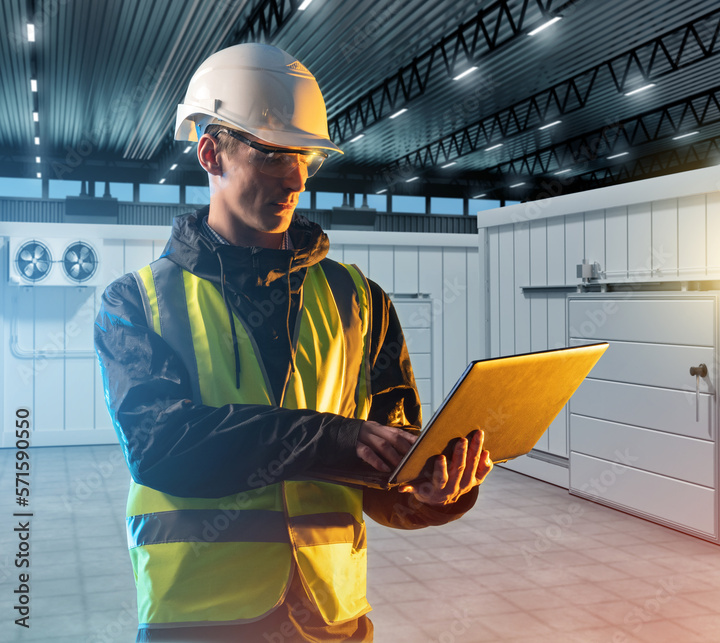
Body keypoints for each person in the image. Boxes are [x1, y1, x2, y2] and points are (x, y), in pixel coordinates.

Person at [94, 43, 492, 643]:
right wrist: (340, 437)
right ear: (211, 153)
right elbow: (164, 446)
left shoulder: (360, 300)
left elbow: (389, 472)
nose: (297, 177)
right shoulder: (137, 302)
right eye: (275, 153)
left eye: (306, 155)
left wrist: (433, 490)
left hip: (332, 616)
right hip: (201, 617)